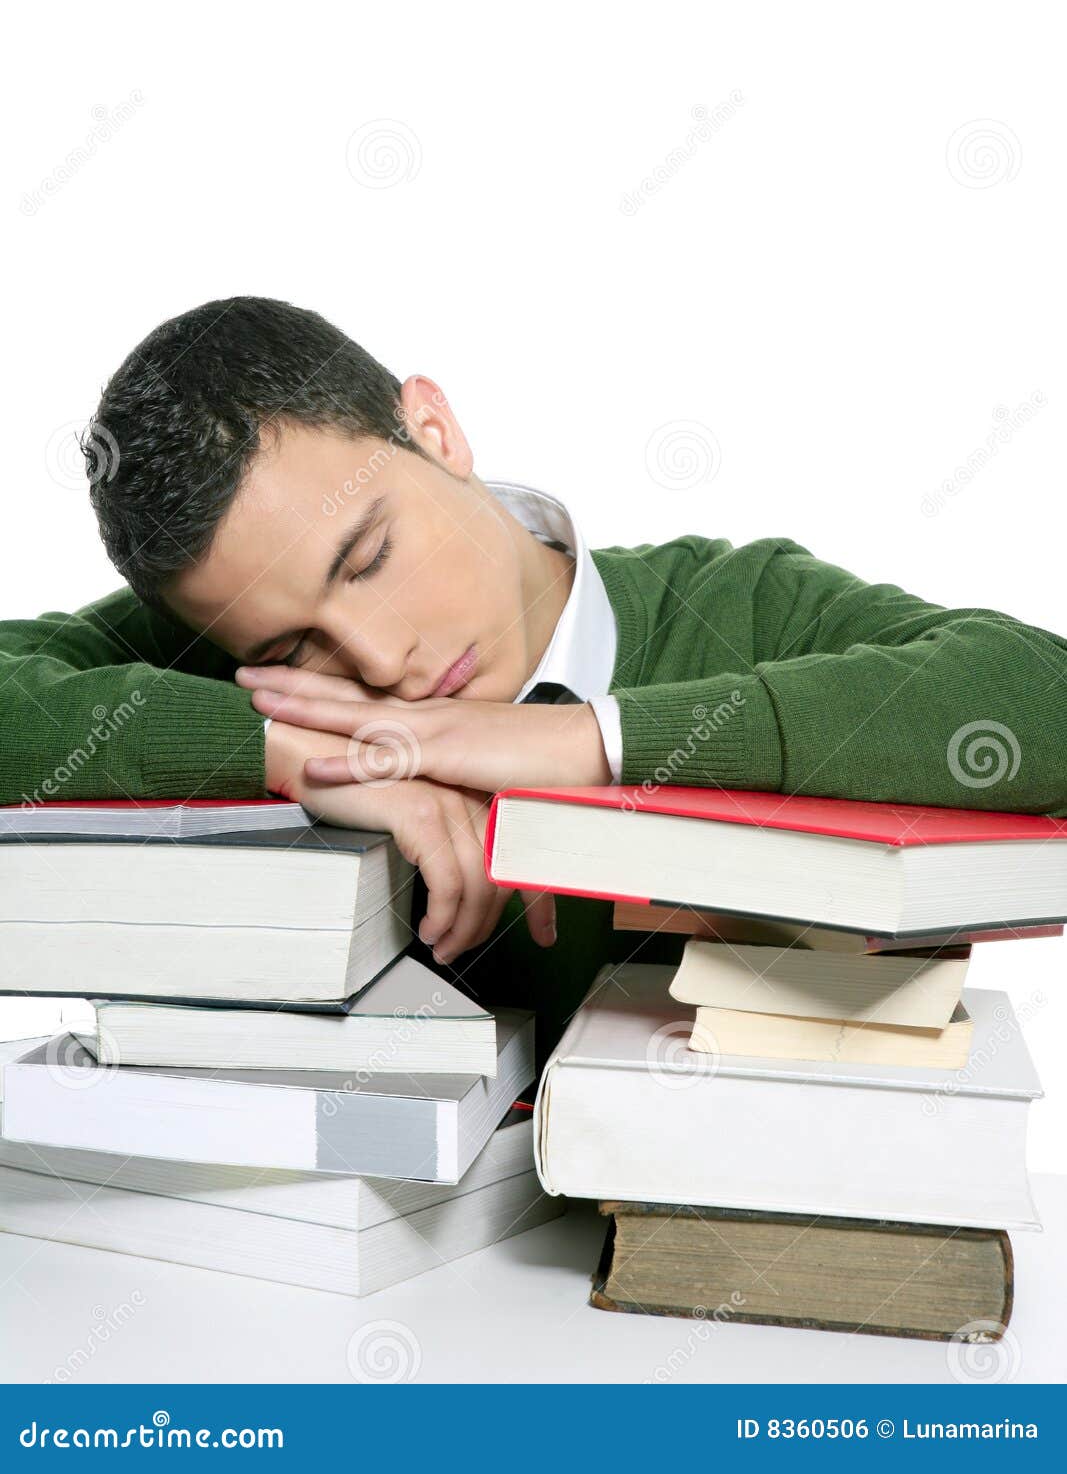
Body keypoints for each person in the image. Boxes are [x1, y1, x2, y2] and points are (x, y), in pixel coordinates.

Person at [4, 295, 1067, 1057]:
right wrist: (279, 745)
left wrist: (584, 743)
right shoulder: (232, 666)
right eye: (290, 651)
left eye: (369, 557)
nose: (377, 665)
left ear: (434, 430)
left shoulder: (741, 606)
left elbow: (1037, 697)